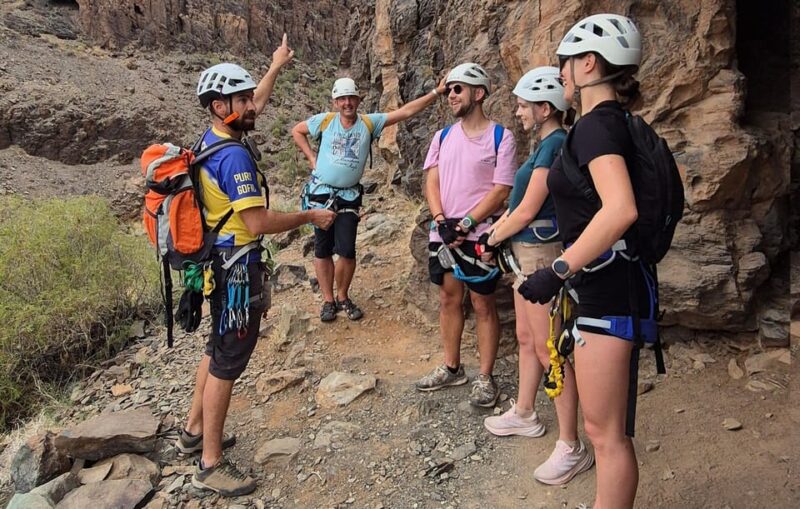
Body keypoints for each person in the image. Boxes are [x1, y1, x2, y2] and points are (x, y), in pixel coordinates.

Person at [178, 40, 336, 498]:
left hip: (217, 261)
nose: (252, 105)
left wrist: (275, 66)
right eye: (242, 99)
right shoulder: (233, 156)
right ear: (219, 105)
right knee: (228, 361)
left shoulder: (213, 138)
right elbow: (258, 222)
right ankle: (210, 463)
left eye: (249, 97)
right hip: (237, 269)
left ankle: (193, 430)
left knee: (215, 349)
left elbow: (258, 104)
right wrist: (310, 217)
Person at [516, 14, 647, 508]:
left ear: (588, 63)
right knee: (605, 430)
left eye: (566, 64)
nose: (563, 74)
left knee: (606, 436)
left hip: (606, 290)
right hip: (611, 286)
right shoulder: (615, 124)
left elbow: (621, 209)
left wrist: (558, 270)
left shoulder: (595, 127)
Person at [478, 67, 593, 484]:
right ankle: (525, 413)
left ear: (545, 108)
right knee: (528, 340)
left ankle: (571, 445)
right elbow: (518, 205)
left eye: (524, 105)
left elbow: (528, 209)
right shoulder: (544, 145)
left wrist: (491, 239)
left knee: (551, 349)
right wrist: (496, 234)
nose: (518, 111)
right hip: (526, 252)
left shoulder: (555, 146)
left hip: (542, 254)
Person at [291, 75, 446, 322]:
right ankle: (328, 300)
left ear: (358, 99)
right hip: (321, 193)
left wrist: (436, 93)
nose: (347, 103)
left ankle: (342, 296)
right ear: (335, 102)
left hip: (349, 195)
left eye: (351, 97)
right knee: (322, 249)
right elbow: (297, 131)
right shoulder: (325, 121)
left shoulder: (369, 123)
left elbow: (405, 112)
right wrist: (312, 159)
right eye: (342, 99)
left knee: (347, 250)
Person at [415, 62, 516, 407]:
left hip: (480, 233)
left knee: (482, 302)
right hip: (444, 230)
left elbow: (502, 188)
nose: (451, 96)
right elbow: (432, 179)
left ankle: (485, 376)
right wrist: (441, 218)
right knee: (448, 298)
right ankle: (452, 367)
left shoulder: (501, 137)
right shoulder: (442, 137)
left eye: (458, 89)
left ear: (479, 93)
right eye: (449, 90)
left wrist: (468, 223)